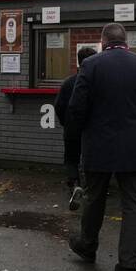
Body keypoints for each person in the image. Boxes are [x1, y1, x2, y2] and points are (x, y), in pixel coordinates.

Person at [64, 23, 136, 271]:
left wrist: (83, 131)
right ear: (125, 41)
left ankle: (88, 245)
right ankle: (128, 264)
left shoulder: (91, 65)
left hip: (98, 146)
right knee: (132, 202)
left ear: (103, 41)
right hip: (133, 145)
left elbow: (76, 108)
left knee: (94, 197)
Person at [55, 45, 99, 211]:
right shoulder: (98, 82)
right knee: (92, 158)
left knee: (71, 159)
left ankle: (75, 184)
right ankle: (91, 187)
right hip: (93, 130)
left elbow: (59, 105)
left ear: (78, 62)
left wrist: (66, 123)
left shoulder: (69, 82)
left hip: (72, 128)